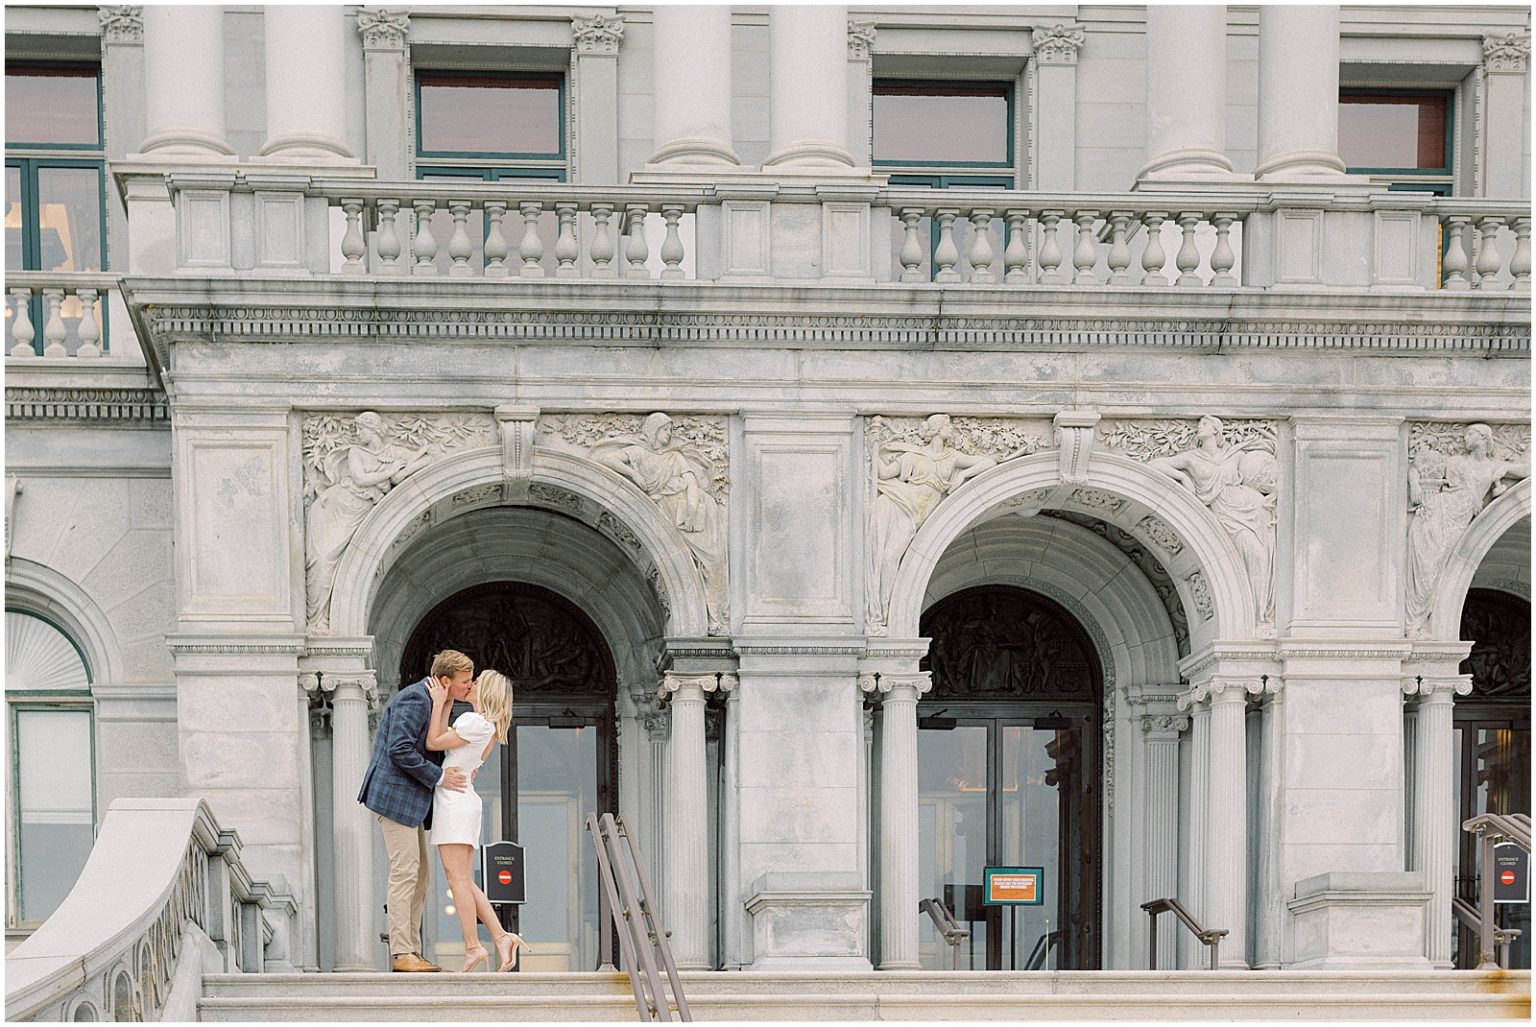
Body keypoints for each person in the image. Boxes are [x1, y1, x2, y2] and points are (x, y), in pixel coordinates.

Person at [357, 650, 473, 972]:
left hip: (410, 804)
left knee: (420, 876)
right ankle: (402, 952)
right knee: (405, 873)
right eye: (465, 681)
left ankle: (411, 952)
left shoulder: (432, 700)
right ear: (446, 681)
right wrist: (439, 777)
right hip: (394, 799)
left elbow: (432, 742)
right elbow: (400, 749)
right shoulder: (416, 699)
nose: (470, 686)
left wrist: (446, 705)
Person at [426, 668, 524, 973]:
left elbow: (433, 742)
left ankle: (473, 947)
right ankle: (501, 936)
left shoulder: (473, 722)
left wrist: (439, 703)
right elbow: (448, 744)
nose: (470, 685)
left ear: (487, 691)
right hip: (463, 799)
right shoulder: (487, 727)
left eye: (477, 682)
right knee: (464, 880)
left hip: (454, 802)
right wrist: (445, 706)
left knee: (457, 881)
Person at [305, 411, 432, 628]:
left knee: (327, 561)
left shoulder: (393, 451)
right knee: (322, 561)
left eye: (360, 429)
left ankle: (320, 619)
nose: (357, 433)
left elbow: (429, 458)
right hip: (336, 506)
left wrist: (404, 472)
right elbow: (360, 478)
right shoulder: (356, 451)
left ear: (373, 429)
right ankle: (317, 619)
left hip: (358, 511)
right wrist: (391, 471)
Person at [1406, 423, 1529, 633]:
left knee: (1438, 569)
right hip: (1440, 512)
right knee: (1428, 567)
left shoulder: (1491, 467)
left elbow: (1527, 469)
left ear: (1483, 438)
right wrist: (1415, 484)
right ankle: (1414, 624)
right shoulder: (1456, 461)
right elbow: (1419, 467)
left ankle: (1416, 623)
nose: (1465, 438)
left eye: (1470, 434)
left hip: (1460, 521)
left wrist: (1507, 467)